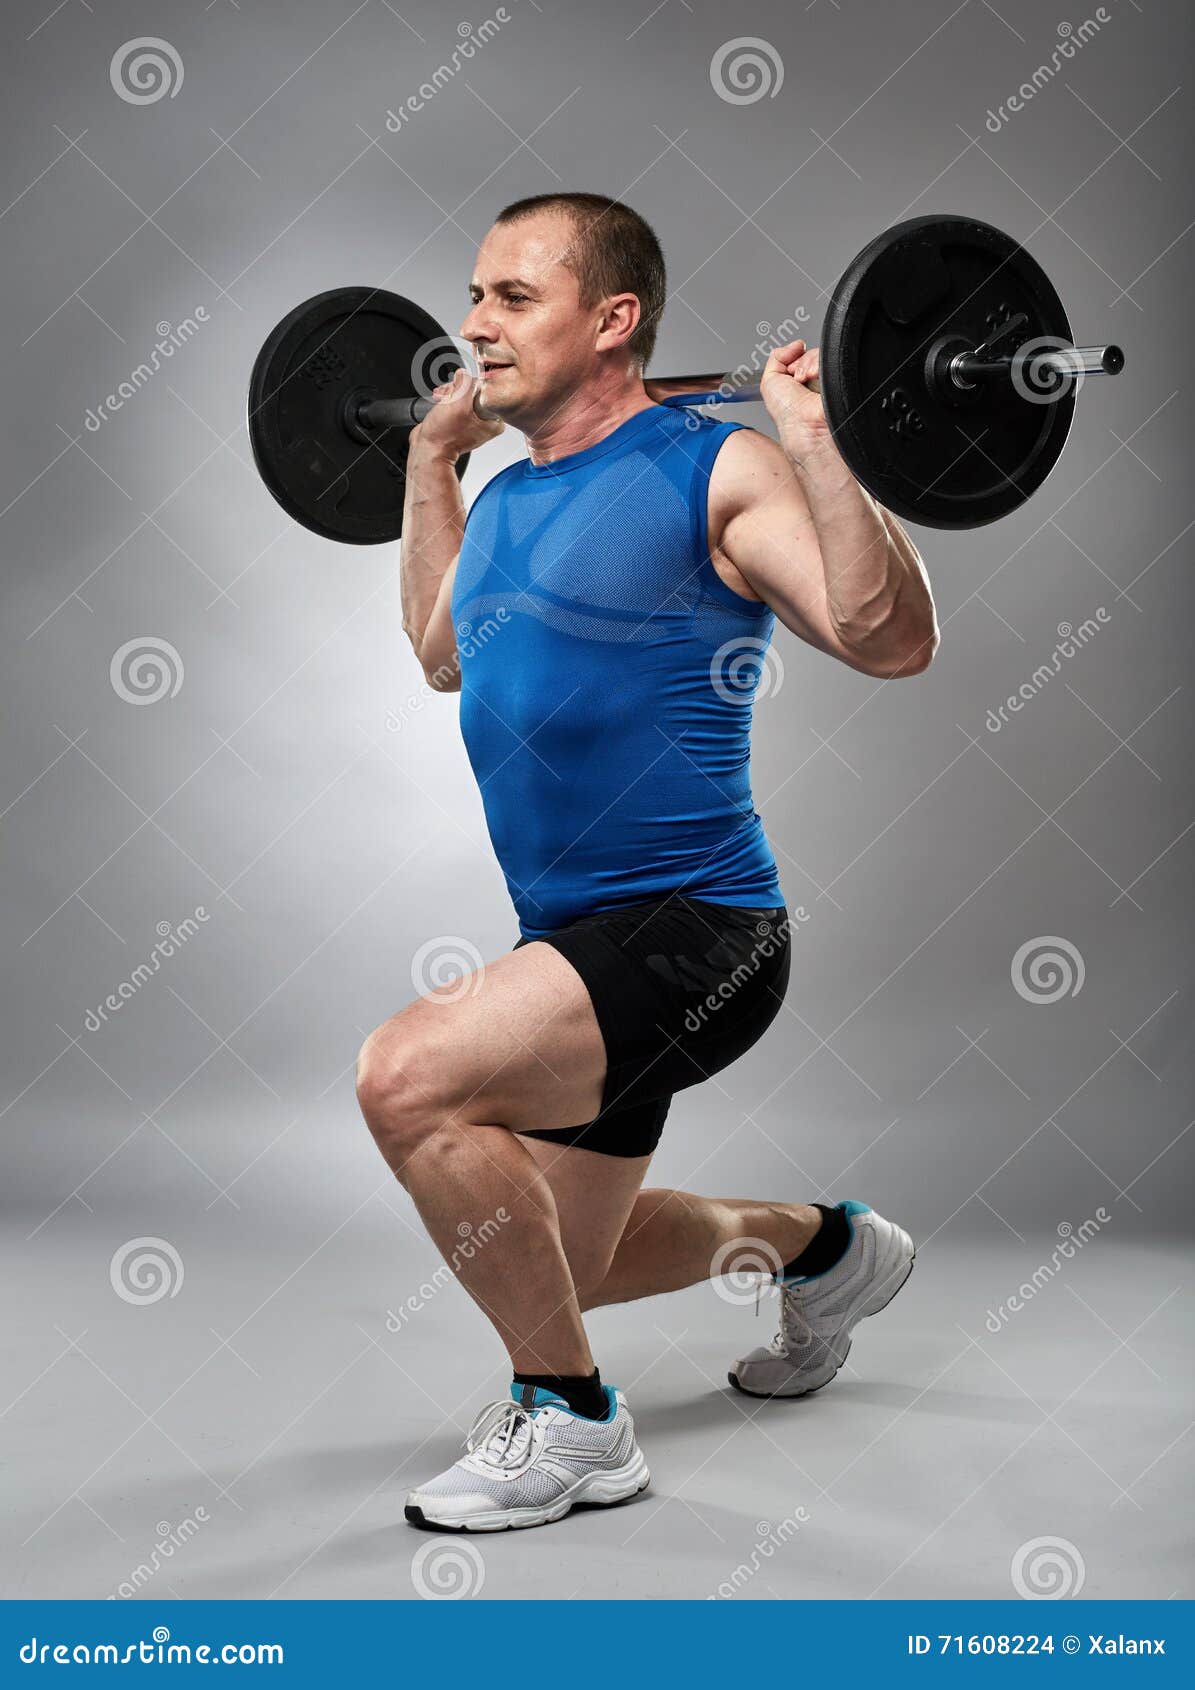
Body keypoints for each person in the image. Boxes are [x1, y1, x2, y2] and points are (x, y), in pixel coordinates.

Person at [354, 192, 938, 1532]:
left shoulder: (710, 469)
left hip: (698, 932)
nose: (475, 324)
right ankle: (826, 1247)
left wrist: (818, 446)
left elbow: (887, 634)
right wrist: (430, 464)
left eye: (512, 296)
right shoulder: (499, 499)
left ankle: (571, 1420)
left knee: (407, 1078)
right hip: (576, 942)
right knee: (563, 1261)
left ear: (612, 320)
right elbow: (443, 653)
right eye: (474, 294)